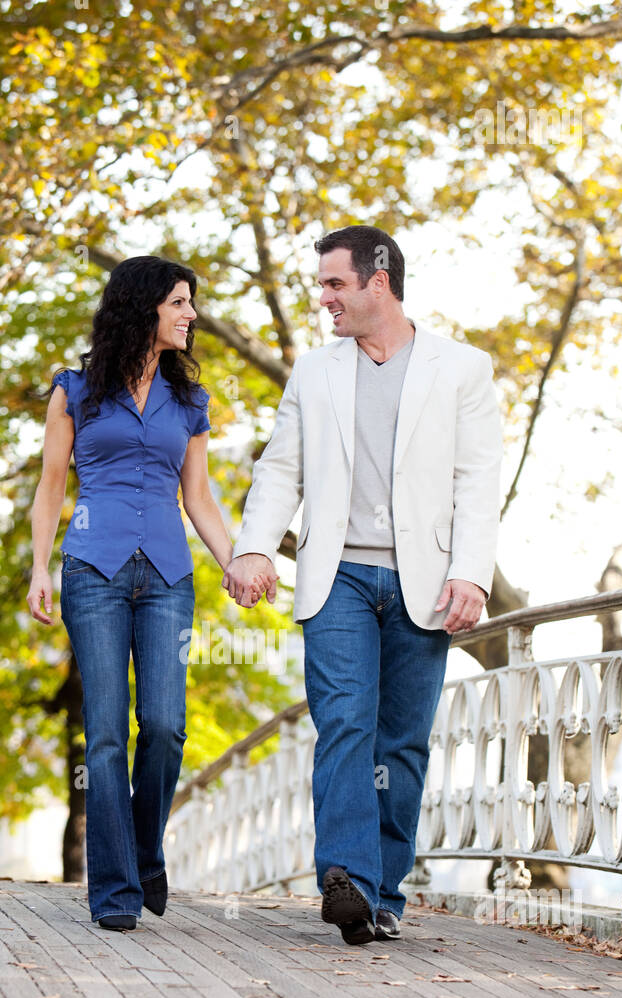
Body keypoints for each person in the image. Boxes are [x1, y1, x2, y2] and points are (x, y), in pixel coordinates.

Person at [224, 225, 503, 946]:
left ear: (379, 281)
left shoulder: (462, 370)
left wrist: (471, 571)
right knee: (345, 722)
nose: (323, 299)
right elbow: (281, 467)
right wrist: (255, 548)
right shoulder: (315, 370)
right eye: (321, 286)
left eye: (334, 284)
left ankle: (383, 896)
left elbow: (477, 481)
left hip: (426, 581)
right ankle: (345, 876)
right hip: (337, 575)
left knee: (402, 744)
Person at [28, 255, 264, 931]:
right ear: (145, 307)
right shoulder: (75, 390)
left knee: (163, 726)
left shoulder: (189, 402)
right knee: (103, 733)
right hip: (92, 572)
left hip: (167, 576)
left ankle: (142, 848)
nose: (191, 315)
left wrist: (235, 561)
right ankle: (116, 890)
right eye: (181, 303)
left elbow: (200, 498)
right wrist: (40, 567)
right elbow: (50, 487)